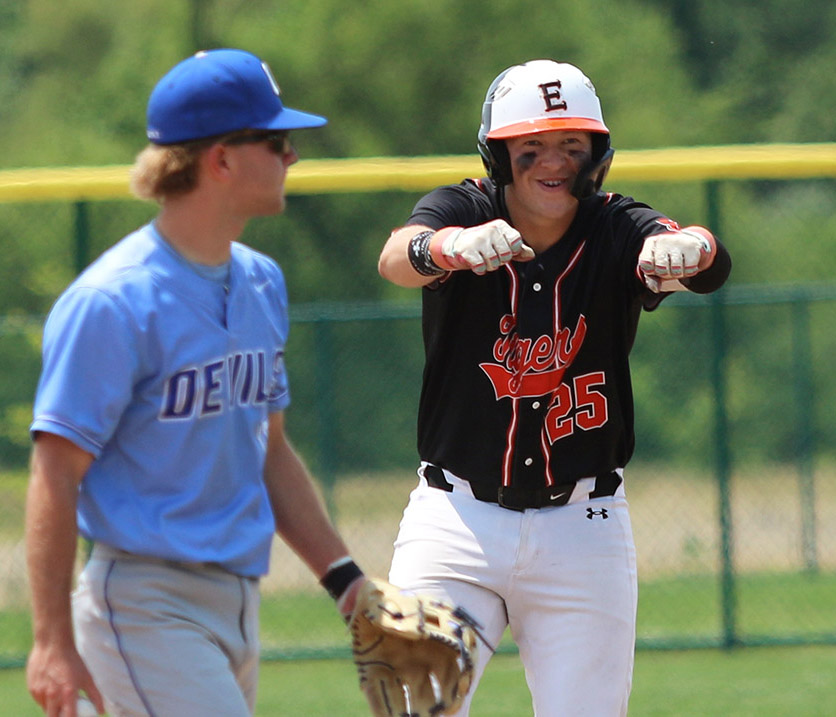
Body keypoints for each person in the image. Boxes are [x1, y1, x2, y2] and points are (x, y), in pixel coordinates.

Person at [378, 59, 732, 716]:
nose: (554, 162)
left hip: (582, 527)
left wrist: (691, 247)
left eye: (572, 145)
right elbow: (398, 254)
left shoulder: (616, 226)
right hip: (455, 523)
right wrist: (450, 247)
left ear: (597, 155)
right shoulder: (465, 209)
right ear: (498, 155)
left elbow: (698, 254)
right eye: (532, 145)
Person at [25, 48, 367, 717]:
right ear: (221, 159)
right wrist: (51, 642)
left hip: (238, 598)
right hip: (144, 600)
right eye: (275, 141)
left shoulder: (262, 281)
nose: (292, 155)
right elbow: (55, 473)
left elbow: (270, 449)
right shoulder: (113, 301)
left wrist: (346, 578)